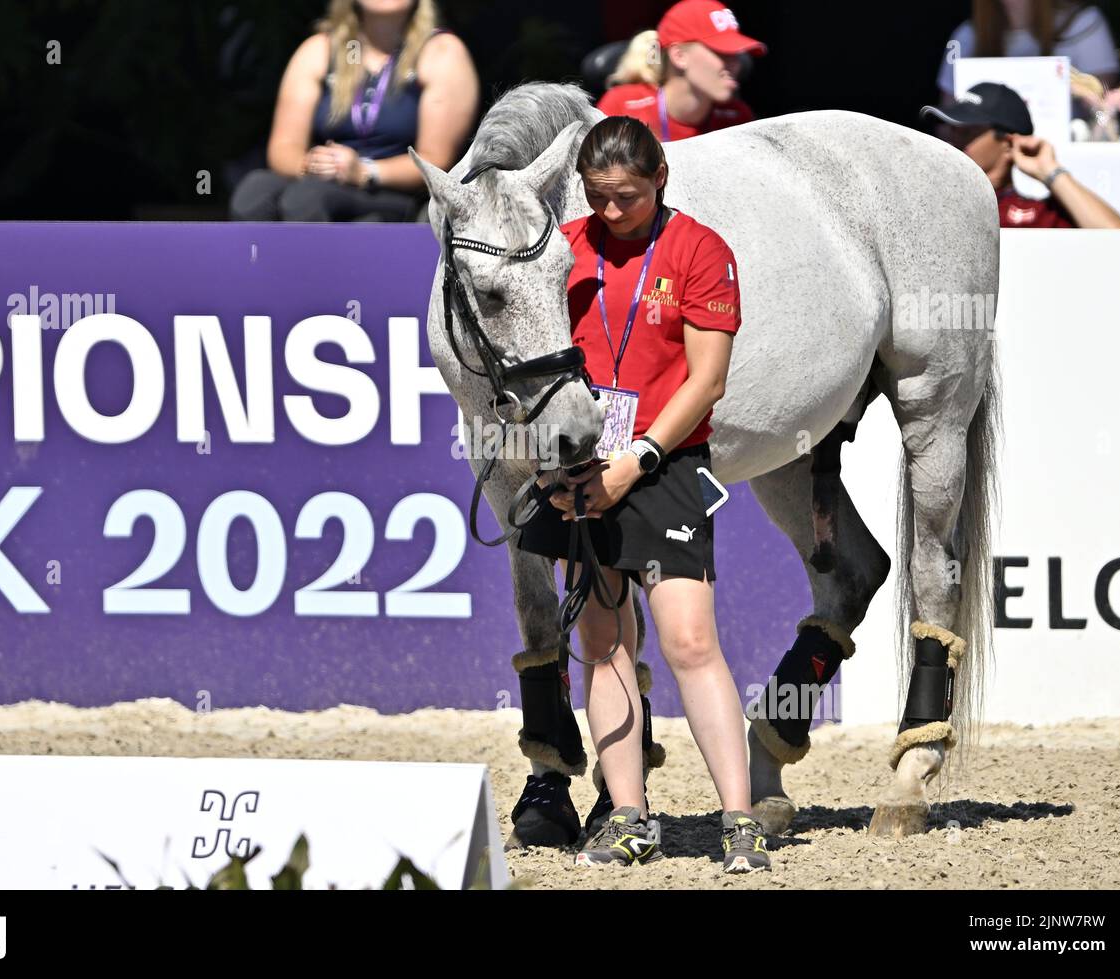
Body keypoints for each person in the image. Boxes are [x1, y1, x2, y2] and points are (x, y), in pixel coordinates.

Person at [517, 116, 770, 872]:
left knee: (691, 640)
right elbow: (532, 366)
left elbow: (708, 379)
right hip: (583, 470)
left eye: (626, 195)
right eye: (598, 196)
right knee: (601, 643)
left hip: (663, 466)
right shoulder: (565, 247)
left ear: (660, 178)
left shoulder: (698, 249)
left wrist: (641, 456)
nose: (611, 211)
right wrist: (548, 465)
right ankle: (629, 816)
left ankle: (740, 819)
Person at [230, 0, 477, 222]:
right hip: (324, 180)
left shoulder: (441, 51)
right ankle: (256, 271)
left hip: (393, 189)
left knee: (305, 200)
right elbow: (284, 146)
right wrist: (315, 165)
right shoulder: (320, 49)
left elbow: (435, 160)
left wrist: (363, 171)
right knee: (253, 194)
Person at [922, 82, 1120, 228]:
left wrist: (1051, 171)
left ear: (1009, 143)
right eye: (950, 130)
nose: (952, 141)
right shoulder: (928, 203)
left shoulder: (1037, 216)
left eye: (967, 131)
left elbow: (1119, 240)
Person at [596, 1, 765, 142]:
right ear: (679, 56)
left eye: (736, 54)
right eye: (721, 52)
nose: (736, 64)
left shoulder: (738, 118)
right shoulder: (621, 107)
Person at [936, 1, 1120, 118]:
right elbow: (947, 120)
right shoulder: (966, 36)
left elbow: (1102, 103)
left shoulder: (1084, 24)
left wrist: (1091, 96)